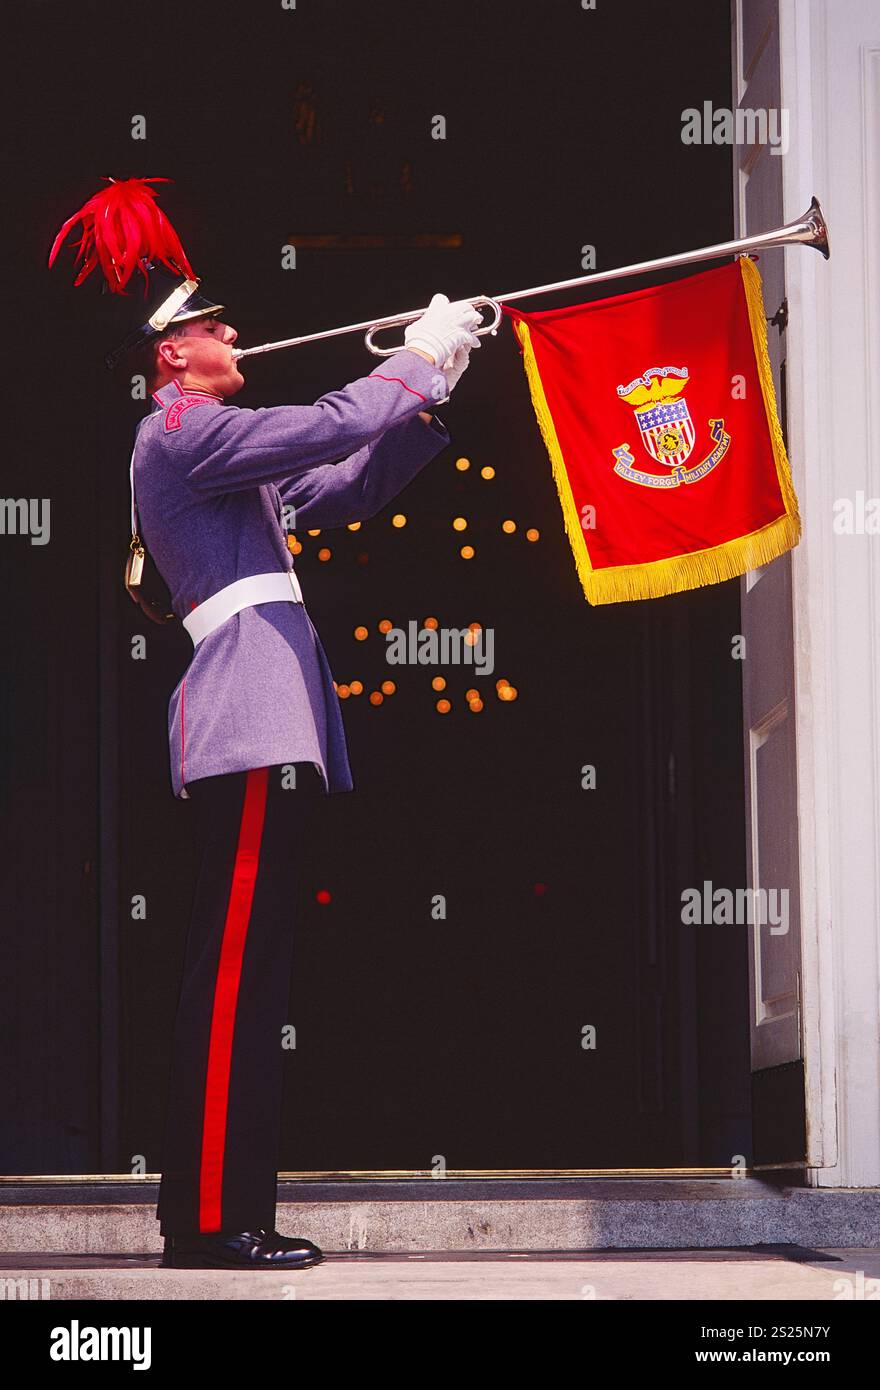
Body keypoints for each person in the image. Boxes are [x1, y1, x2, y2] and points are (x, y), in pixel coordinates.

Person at [49, 177, 481, 1270]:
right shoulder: (183, 434)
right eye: (210, 324)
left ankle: (221, 1207)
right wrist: (411, 359)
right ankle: (205, 1221)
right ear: (169, 358)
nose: (233, 330)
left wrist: (428, 394)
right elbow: (329, 419)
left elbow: (338, 478)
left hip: (270, 717)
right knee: (233, 977)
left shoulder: (219, 455)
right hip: (246, 715)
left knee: (254, 976)